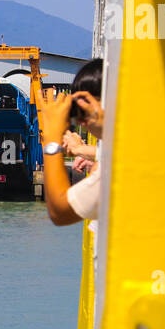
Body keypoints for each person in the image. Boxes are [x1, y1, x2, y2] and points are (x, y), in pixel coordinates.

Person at [38, 59, 104, 225]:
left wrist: (52, 140)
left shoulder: (120, 164)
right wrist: (80, 149)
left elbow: (60, 212)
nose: (81, 116)